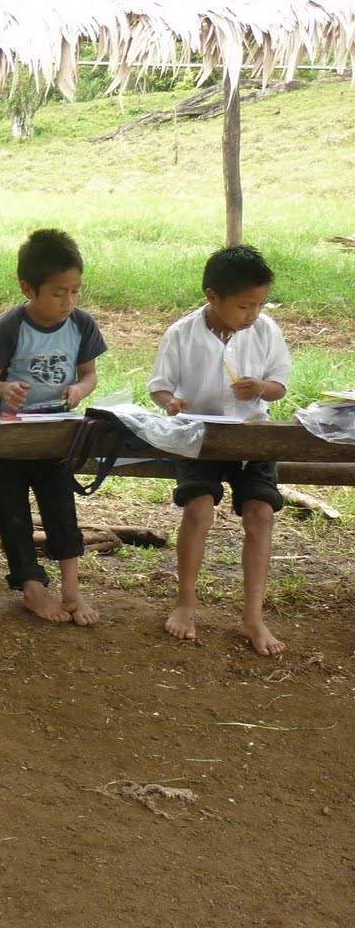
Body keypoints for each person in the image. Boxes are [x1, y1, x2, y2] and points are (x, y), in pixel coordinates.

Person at [148, 244, 291, 657]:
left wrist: (261, 388)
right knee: (199, 509)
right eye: (245, 305)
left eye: (260, 304)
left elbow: (279, 385)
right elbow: (160, 386)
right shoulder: (181, 333)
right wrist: (171, 403)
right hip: (199, 435)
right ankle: (186, 603)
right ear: (213, 297)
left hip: (251, 433)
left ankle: (253, 616)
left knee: (261, 513)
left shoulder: (266, 331)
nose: (254, 314)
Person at [0, 228, 107, 625]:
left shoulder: (81, 325)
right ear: (28, 289)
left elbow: (89, 375)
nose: (69, 301)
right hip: (9, 439)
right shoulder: (12, 325)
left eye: (76, 291)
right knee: (11, 513)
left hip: (54, 437)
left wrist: (78, 391)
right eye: (58, 293)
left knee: (61, 510)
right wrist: (5, 389)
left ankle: (71, 591)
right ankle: (31, 587)